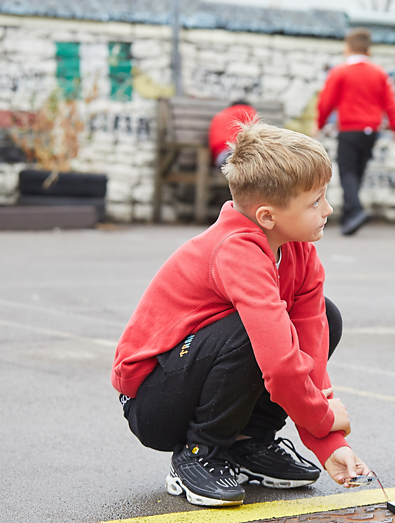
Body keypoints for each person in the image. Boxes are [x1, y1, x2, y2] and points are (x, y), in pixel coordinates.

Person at [112, 122, 369, 507]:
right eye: (315, 201)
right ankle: (199, 455)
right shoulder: (237, 250)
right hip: (155, 403)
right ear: (267, 216)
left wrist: (329, 442)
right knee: (253, 331)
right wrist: (321, 417)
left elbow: (309, 355)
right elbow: (281, 366)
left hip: (196, 380)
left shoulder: (299, 251)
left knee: (326, 317)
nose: (328, 209)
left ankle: (249, 445)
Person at [316, 27, 395, 236]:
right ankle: (350, 218)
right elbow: (391, 103)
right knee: (357, 172)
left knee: (347, 171)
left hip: (349, 129)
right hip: (371, 132)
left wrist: (319, 124)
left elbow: (326, 102)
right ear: (368, 50)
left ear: (347, 48)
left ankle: (355, 210)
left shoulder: (339, 72)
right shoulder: (379, 73)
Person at [209, 100, 257, 167]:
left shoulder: (219, 115)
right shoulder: (247, 111)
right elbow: (256, 133)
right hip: (238, 153)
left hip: (219, 157)